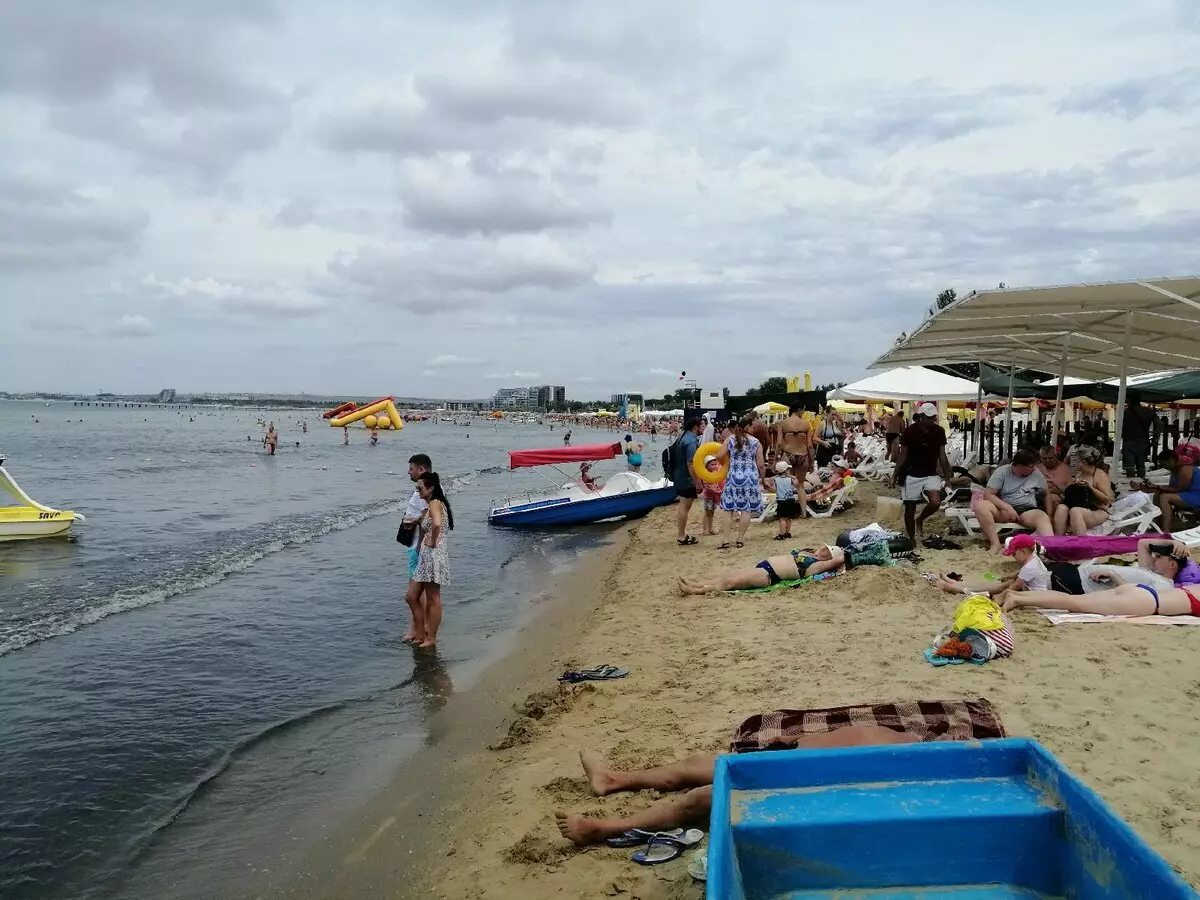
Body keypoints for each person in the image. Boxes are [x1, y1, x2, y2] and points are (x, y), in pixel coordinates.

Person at [555, 726, 924, 846]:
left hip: (800, 778)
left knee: (701, 798)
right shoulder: (914, 741)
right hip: (789, 757)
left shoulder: (917, 763)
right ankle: (613, 779)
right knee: (698, 764)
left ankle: (604, 829)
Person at [973, 449, 1053, 552]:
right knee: (980, 505)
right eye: (1031, 466)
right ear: (1020, 465)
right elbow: (988, 494)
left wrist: (1050, 514)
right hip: (1004, 509)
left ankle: (1050, 548)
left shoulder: (1036, 474)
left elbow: (1047, 494)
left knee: (1043, 517)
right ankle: (995, 543)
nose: (1034, 469)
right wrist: (1008, 508)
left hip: (1027, 509)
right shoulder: (1003, 472)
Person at [679, 545, 846, 594]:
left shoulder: (816, 566)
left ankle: (696, 591)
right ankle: (698, 584)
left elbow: (840, 559)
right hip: (763, 567)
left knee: (730, 583)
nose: (823, 549)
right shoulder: (811, 554)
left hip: (768, 575)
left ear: (829, 558)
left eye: (827, 550)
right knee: (728, 576)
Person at [895, 402, 951, 542]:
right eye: (930, 417)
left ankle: (920, 519)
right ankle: (911, 538)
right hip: (911, 473)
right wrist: (894, 475)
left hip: (930, 473)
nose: (933, 420)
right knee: (910, 507)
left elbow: (942, 456)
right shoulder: (909, 431)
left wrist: (948, 478)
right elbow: (903, 455)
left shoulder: (939, 431)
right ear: (921, 416)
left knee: (935, 502)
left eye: (934, 417)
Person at [930, 533, 1049, 596]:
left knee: (1002, 586)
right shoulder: (1033, 559)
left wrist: (1000, 595)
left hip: (1032, 597)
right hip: (1029, 591)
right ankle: (958, 585)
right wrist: (1003, 577)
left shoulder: (1029, 566)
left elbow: (1015, 586)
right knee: (1002, 583)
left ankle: (953, 587)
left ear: (1023, 552)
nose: (1014, 557)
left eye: (1014, 554)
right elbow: (1017, 574)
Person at [410, 472, 453, 648]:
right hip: (429, 554)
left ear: (430, 488)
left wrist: (433, 540)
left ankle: (431, 637)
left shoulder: (435, 503)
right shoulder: (432, 504)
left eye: (420, 488)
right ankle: (421, 634)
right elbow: (433, 523)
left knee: (433, 597)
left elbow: (436, 524)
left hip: (434, 553)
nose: (418, 490)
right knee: (412, 596)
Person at [714, 417, 766, 549]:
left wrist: (725, 463)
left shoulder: (730, 439)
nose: (754, 429)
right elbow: (761, 465)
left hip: (734, 476)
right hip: (750, 478)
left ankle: (726, 540)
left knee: (728, 509)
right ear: (747, 427)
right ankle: (740, 539)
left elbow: (719, 455)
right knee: (746, 509)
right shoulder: (756, 442)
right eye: (752, 426)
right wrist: (763, 480)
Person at [401, 454, 432, 643]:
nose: (408, 472)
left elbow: (426, 518)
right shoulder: (426, 487)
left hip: (418, 546)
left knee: (413, 594)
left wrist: (420, 545)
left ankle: (418, 629)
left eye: (411, 468)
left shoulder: (425, 489)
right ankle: (421, 628)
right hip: (414, 544)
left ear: (421, 469)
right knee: (419, 591)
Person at [1133, 449, 1200, 532]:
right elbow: (1171, 487)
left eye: (1164, 464)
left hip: (1196, 495)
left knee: (1165, 497)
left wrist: (1157, 486)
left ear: (1171, 460)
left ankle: (1166, 530)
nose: (1164, 467)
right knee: (1159, 493)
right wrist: (1151, 488)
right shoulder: (1174, 470)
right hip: (1186, 494)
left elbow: (1179, 489)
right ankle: (1158, 522)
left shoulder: (1185, 469)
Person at [1052, 445, 1113, 535]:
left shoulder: (1100, 475)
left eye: (1076, 461)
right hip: (1082, 507)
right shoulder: (1080, 474)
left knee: (1075, 511)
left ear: (1083, 462)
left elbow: (1107, 500)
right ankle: (1058, 541)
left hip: (1098, 510)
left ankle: (1080, 543)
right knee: (1061, 508)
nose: (1074, 463)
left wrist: (1090, 488)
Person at [775, 403, 813, 517]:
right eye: (803, 411)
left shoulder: (783, 423)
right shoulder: (806, 424)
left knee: (786, 483)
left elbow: (779, 443)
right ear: (798, 409)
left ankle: (787, 512)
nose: (803, 413)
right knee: (800, 485)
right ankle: (803, 512)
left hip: (788, 454)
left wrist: (775, 459)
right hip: (803, 454)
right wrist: (811, 460)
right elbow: (810, 445)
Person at [674, 417, 704, 545]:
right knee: (685, 506)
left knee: (683, 505)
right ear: (696, 427)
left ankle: (682, 533)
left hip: (679, 476)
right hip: (686, 478)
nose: (704, 428)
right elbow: (691, 463)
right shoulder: (691, 441)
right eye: (702, 426)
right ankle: (681, 535)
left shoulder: (683, 437)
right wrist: (697, 481)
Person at [1121, 394, 1156, 478]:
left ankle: (1132, 484)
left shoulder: (1126, 412)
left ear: (1129, 401)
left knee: (1129, 467)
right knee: (1141, 466)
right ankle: (1142, 483)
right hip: (1143, 442)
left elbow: (1120, 426)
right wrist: (1156, 436)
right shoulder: (1148, 411)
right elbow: (1158, 423)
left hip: (1129, 441)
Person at [766, 460, 801, 540]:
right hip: (790, 500)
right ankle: (787, 533)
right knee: (788, 518)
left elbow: (774, 489)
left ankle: (782, 534)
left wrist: (769, 487)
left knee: (782, 518)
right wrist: (793, 477)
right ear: (786, 471)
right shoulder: (790, 479)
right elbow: (797, 484)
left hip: (781, 501)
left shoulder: (776, 480)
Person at [1037, 445, 1072, 519]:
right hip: (1038, 498)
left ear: (1056, 456)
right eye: (1044, 458)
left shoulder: (1064, 468)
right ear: (1040, 457)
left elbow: (1070, 491)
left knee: (1053, 498)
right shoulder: (1036, 468)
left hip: (1058, 500)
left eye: (1050, 458)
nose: (1047, 460)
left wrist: (1055, 483)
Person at [699, 455, 725, 536]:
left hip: (714, 497)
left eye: (715, 464)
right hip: (708, 497)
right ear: (707, 466)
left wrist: (719, 491)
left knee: (712, 513)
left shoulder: (717, 474)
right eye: (712, 465)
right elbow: (707, 487)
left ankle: (711, 529)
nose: (714, 466)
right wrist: (716, 491)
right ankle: (705, 529)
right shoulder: (706, 474)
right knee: (707, 513)